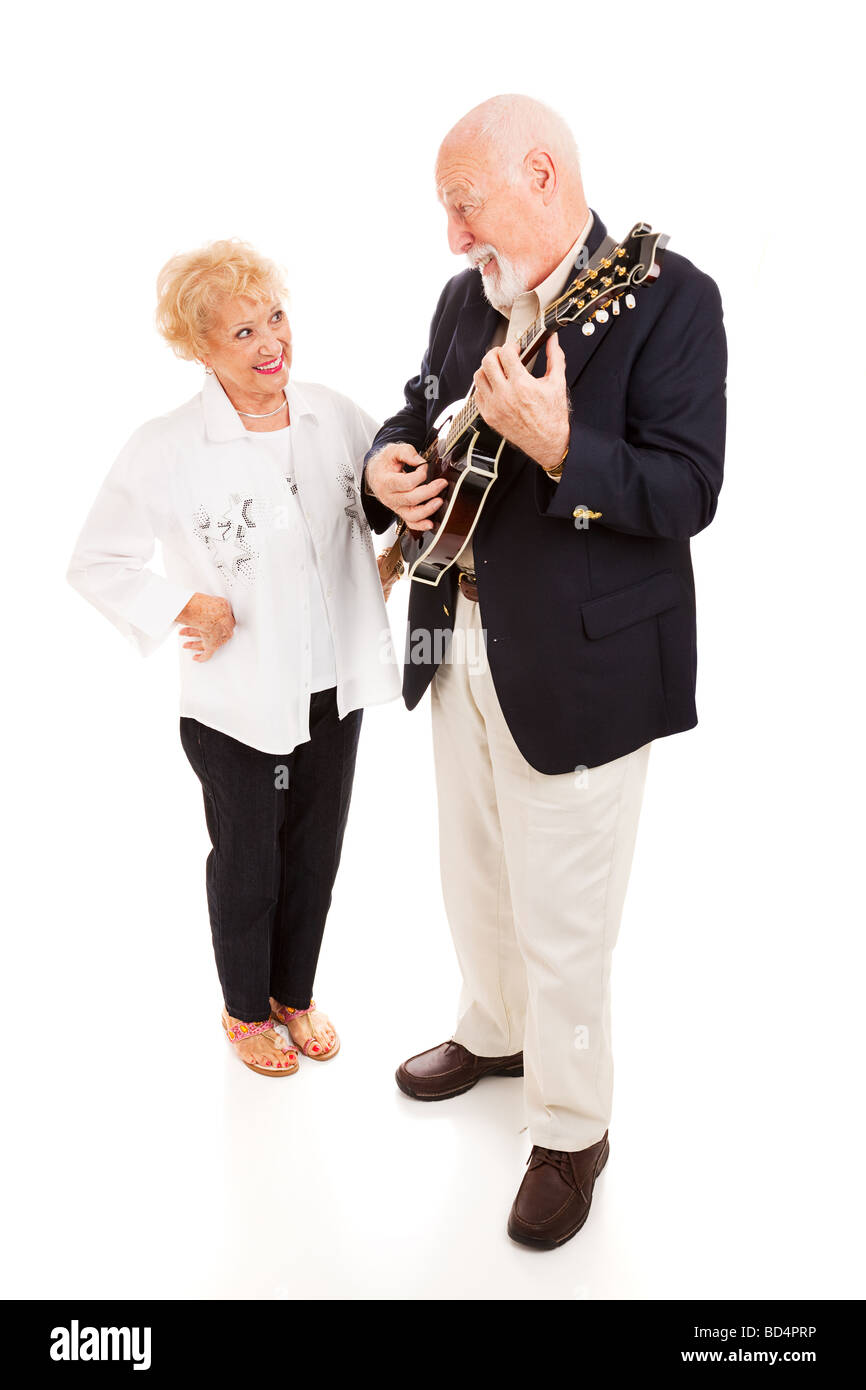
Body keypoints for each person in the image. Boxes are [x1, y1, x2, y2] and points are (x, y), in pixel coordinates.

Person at [362, 96, 727, 1247]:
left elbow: (685, 491)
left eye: (464, 204)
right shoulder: (460, 298)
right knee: (470, 864)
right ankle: (495, 1024)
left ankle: (571, 1128)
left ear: (538, 172)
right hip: (451, 624)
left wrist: (564, 446)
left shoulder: (669, 300)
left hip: (582, 656)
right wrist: (383, 463)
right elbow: (421, 407)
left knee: (564, 910)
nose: (452, 234)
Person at [68, 239, 400, 1077]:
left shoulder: (335, 414)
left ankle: (296, 991)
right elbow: (95, 560)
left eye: (276, 318)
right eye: (242, 332)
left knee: (317, 852)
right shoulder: (167, 445)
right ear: (200, 349)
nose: (269, 344)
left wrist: (392, 562)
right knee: (250, 863)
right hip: (237, 704)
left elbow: (390, 500)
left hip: (335, 688)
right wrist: (183, 605)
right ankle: (246, 1009)